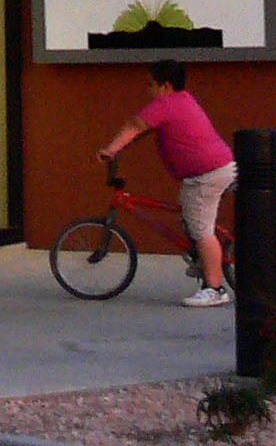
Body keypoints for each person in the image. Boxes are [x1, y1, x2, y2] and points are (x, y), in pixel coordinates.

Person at [97, 59, 236, 307]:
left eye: (151, 85)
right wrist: (120, 149)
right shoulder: (181, 101)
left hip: (207, 174)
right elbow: (142, 131)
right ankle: (203, 261)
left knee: (201, 230)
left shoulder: (166, 104)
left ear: (166, 86)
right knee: (190, 218)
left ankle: (215, 288)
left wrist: (110, 149)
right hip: (211, 170)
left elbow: (134, 126)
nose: (147, 90)